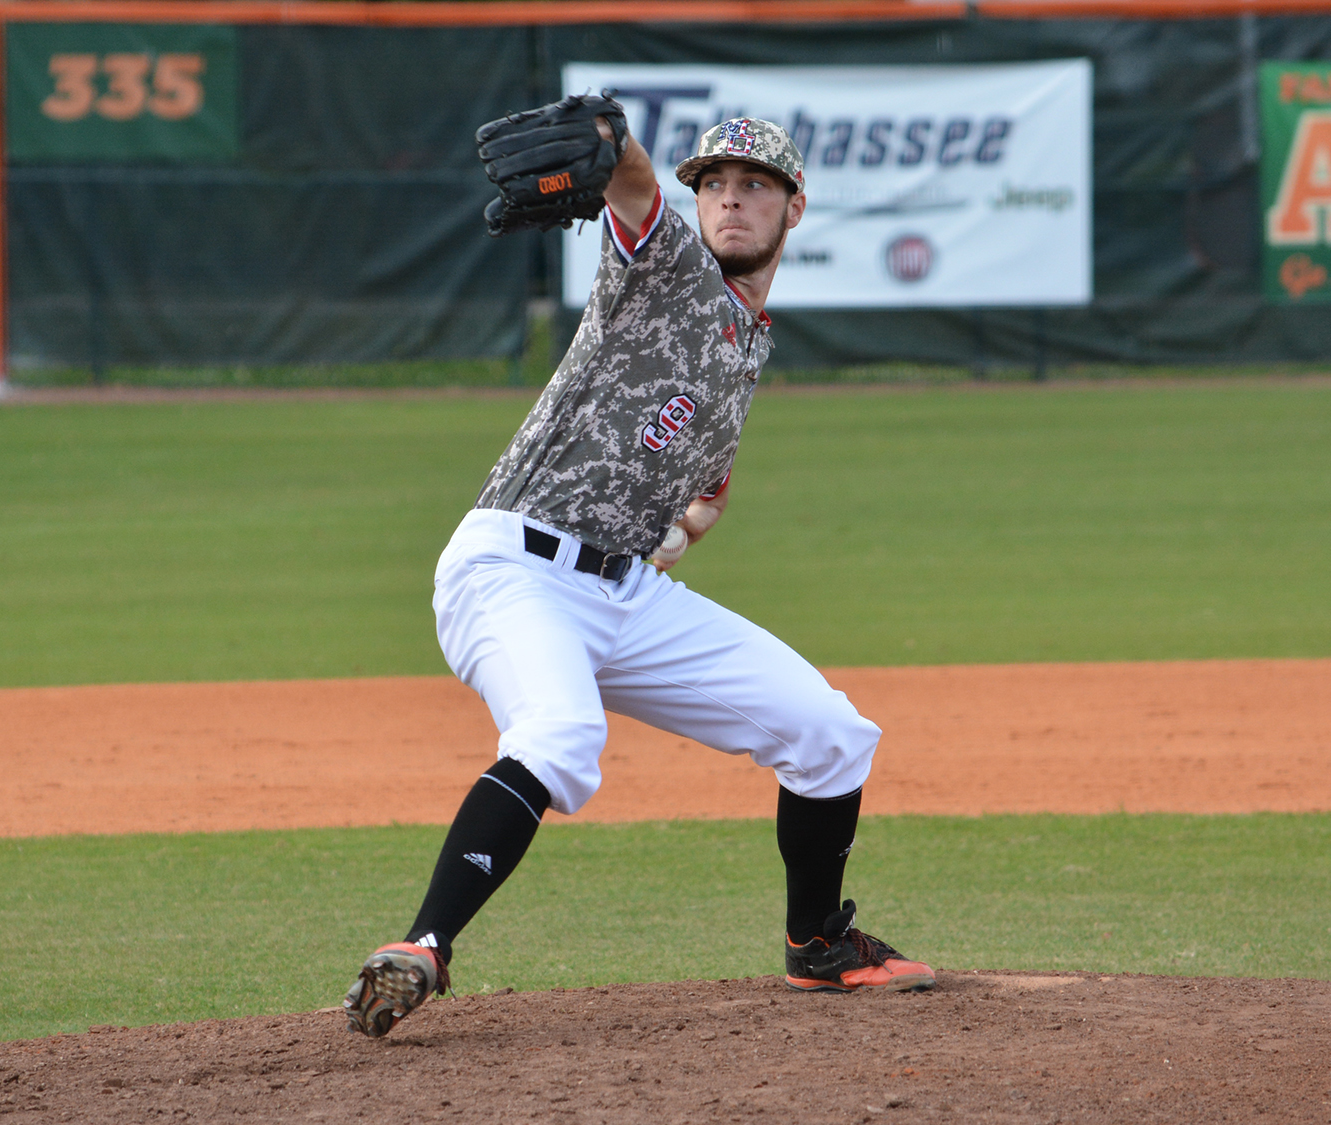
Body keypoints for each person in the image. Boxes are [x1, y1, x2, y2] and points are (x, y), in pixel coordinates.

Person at [343, 112, 933, 1039]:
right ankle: (423, 945)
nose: (731, 198)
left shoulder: (749, 339)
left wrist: (682, 528)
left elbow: (705, 495)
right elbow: (630, 181)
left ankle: (817, 942)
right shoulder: (666, 266)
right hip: (514, 568)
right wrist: (614, 141)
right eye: (715, 185)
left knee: (829, 732)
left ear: (795, 206)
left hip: (624, 591)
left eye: (756, 185)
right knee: (562, 730)